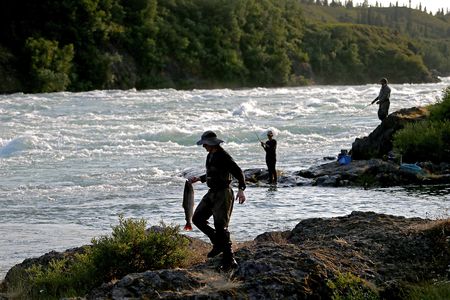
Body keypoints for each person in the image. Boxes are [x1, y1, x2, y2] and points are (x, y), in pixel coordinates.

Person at [189, 130, 246, 271]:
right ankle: (218, 243)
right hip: (212, 192)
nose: (204, 147)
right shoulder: (210, 155)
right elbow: (212, 173)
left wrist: (241, 189)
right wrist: (199, 179)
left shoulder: (223, 156)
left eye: (205, 144)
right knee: (197, 218)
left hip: (223, 193)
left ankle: (229, 258)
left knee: (221, 225)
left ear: (212, 143)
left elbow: (238, 172)